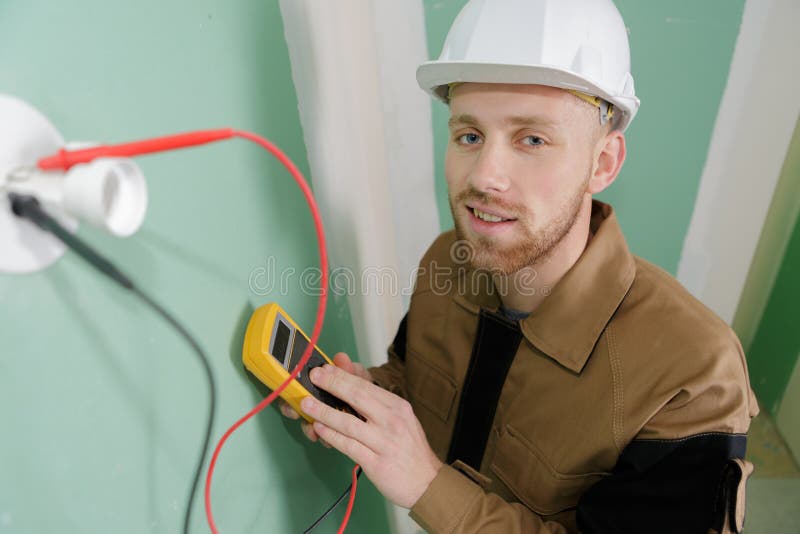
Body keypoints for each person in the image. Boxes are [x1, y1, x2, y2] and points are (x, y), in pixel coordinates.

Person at [280, 0, 758, 532]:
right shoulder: (447, 261)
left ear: (602, 163)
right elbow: (417, 381)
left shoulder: (692, 375)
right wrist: (370, 398)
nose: (485, 176)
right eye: (469, 136)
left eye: (532, 139)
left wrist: (425, 486)